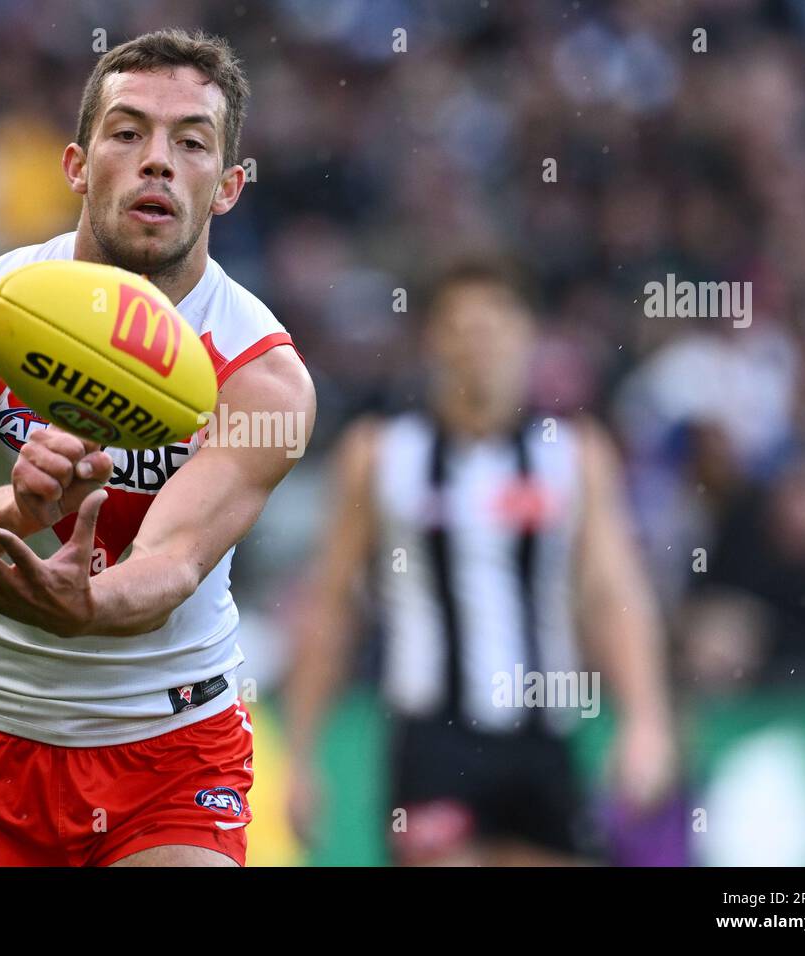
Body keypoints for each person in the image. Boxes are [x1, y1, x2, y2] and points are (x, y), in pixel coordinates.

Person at [0, 29, 314, 867]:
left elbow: (173, 563)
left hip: (171, 744)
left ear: (227, 187)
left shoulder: (264, 381)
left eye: (190, 142)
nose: (157, 161)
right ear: (77, 165)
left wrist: (90, 605)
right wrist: (15, 506)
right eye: (127, 133)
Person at [285, 262, 675, 865]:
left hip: (542, 736)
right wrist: (303, 755)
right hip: (432, 738)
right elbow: (332, 606)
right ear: (432, 341)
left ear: (528, 335)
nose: (479, 344)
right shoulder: (382, 454)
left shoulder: (574, 454)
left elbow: (611, 594)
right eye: (460, 327)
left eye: (494, 325)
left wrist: (646, 720)